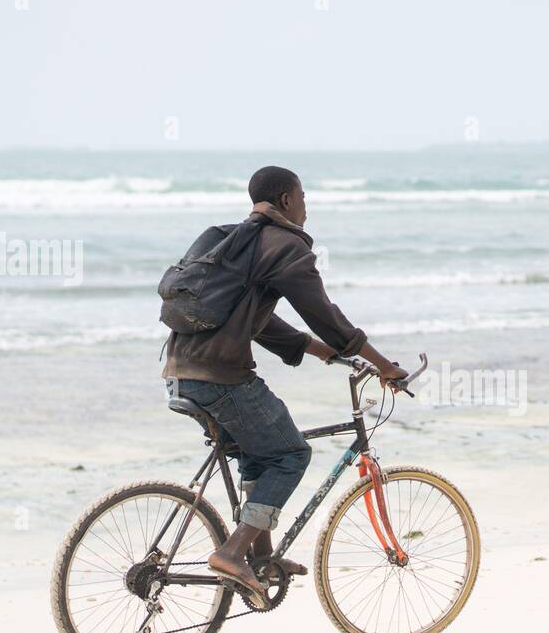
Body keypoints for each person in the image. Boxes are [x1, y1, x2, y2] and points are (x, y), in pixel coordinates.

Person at [161, 166, 407, 602]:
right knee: (291, 454)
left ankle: (260, 557)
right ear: (287, 200)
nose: (307, 207)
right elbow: (323, 313)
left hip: (181, 372)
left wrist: (319, 352)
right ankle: (233, 552)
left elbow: (256, 321)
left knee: (260, 455)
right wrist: (383, 364)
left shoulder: (230, 239)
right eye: (304, 197)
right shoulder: (284, 245)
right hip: (221, 377)